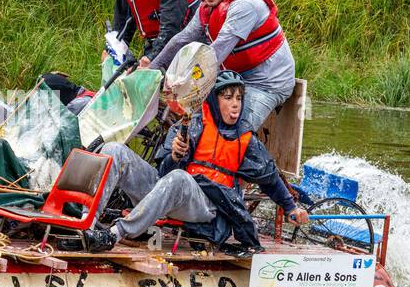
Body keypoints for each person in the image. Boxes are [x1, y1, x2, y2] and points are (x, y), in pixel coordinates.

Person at [85, 71, 308, 255]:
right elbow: (163, 173)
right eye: (227, 97)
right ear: (214, 99)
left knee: (180, 179)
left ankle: (114, 234)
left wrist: (290, 207)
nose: (235, 105)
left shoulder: (246, 139)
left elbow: (270, 179)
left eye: (239, 98)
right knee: (113, 149)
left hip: (207, 207)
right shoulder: (192, 123)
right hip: (166, 193)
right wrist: (174, 157)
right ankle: (87, 223)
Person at [146, 0, 294, 131]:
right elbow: (181, 40)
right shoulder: (207, 7)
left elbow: (215, 54)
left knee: (234, 132)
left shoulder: (245, 6)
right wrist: (149, 73)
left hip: (267, 83)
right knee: (197, 127)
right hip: (234, 78)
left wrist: (179, 89)